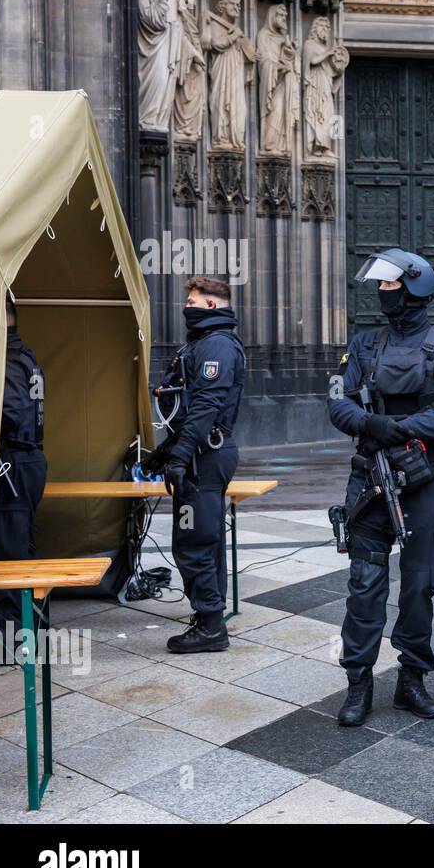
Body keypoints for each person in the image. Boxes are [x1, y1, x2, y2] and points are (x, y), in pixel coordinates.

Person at [327, 250, 434, 727]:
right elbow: (337, 403)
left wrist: (401, 428)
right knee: (365, 585)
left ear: (413, 289)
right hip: (371, 477)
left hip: (423, 478)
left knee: (419, 585)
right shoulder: (365, 344)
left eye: (390, 286)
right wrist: (373, 423)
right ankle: (359, 682)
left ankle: (413, 678)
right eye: (381, 286)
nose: (383, 293)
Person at [143, 276, 246, 653]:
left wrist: (183, 455)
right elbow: (189, 409)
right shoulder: (203, 343)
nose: (186, 306)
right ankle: (209, 617)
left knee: (194, 541)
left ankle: (210, 626)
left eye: (193, 300)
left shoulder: (217, 345)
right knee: (204, 537)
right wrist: (166, 452)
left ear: (212, 306)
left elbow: (206, 407)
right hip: (201, 452)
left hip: (206, 456)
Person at [0, 296, 47, 662]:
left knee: (7, 555)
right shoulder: (24, 354)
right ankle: (26, 630)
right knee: (19, 547)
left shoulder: (7, 359)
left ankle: (6, 643)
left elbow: (10, 414)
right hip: (27, 460)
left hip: (13, 461)